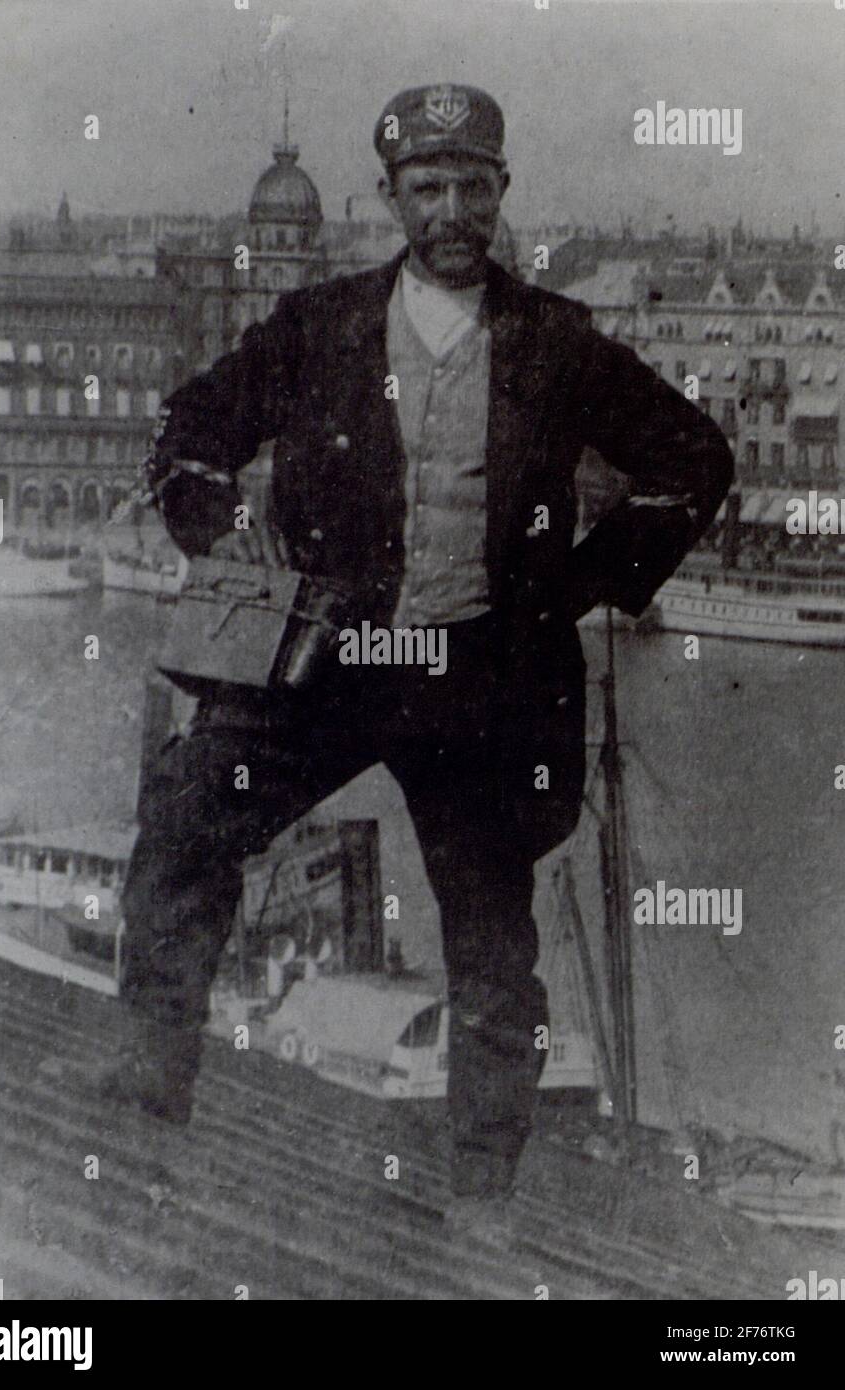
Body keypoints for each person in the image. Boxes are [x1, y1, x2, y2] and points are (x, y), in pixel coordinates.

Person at [100, 83, 733, 1237]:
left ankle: (482, 1188)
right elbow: (185, 434)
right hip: (322, 670)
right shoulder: (318, 327)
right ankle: (146, 1102)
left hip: (481, 684)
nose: (451, 208)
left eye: (472, 186)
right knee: (188, 823)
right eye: (426, 187)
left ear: (501, 194)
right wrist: (220, 527)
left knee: (492, 937)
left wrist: (580, 583)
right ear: (390, 198)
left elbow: (697, 459)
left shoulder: (558, 342)